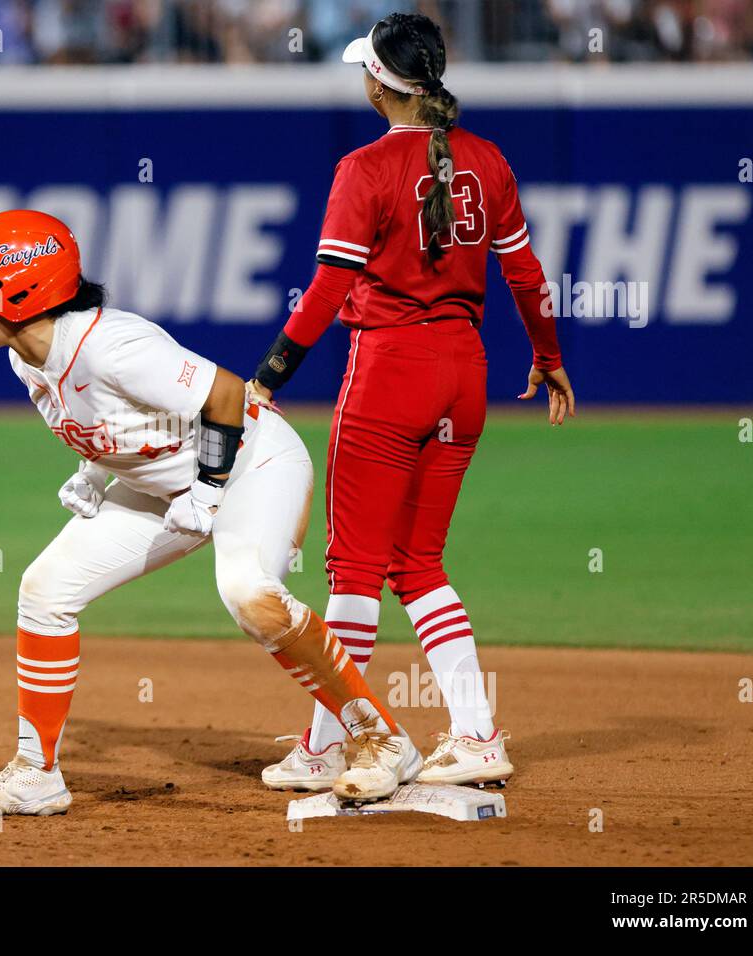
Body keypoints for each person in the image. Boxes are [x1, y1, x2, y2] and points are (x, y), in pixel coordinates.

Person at [0, 210, 420, 816]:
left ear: (21, 287)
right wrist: (92, 473)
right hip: (169, 483)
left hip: (251, 462)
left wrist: (211, 489)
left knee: (248, 594)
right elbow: (116, 425)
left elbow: (225, 397)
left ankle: (382, 739)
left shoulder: (112, 345)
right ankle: (37, 773)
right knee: (45, 589)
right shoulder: (24, 355)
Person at [250, 13, 575, 792]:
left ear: (378, 83)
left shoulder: (363, 168)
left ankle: (334, 744)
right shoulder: (488, 160)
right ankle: (473, 734)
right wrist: (551, 360)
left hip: (390, 373)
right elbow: (526, 278)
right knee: (417, 562)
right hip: (466, 373)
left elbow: (329, 287)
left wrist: (270, 374)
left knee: (354, 570)